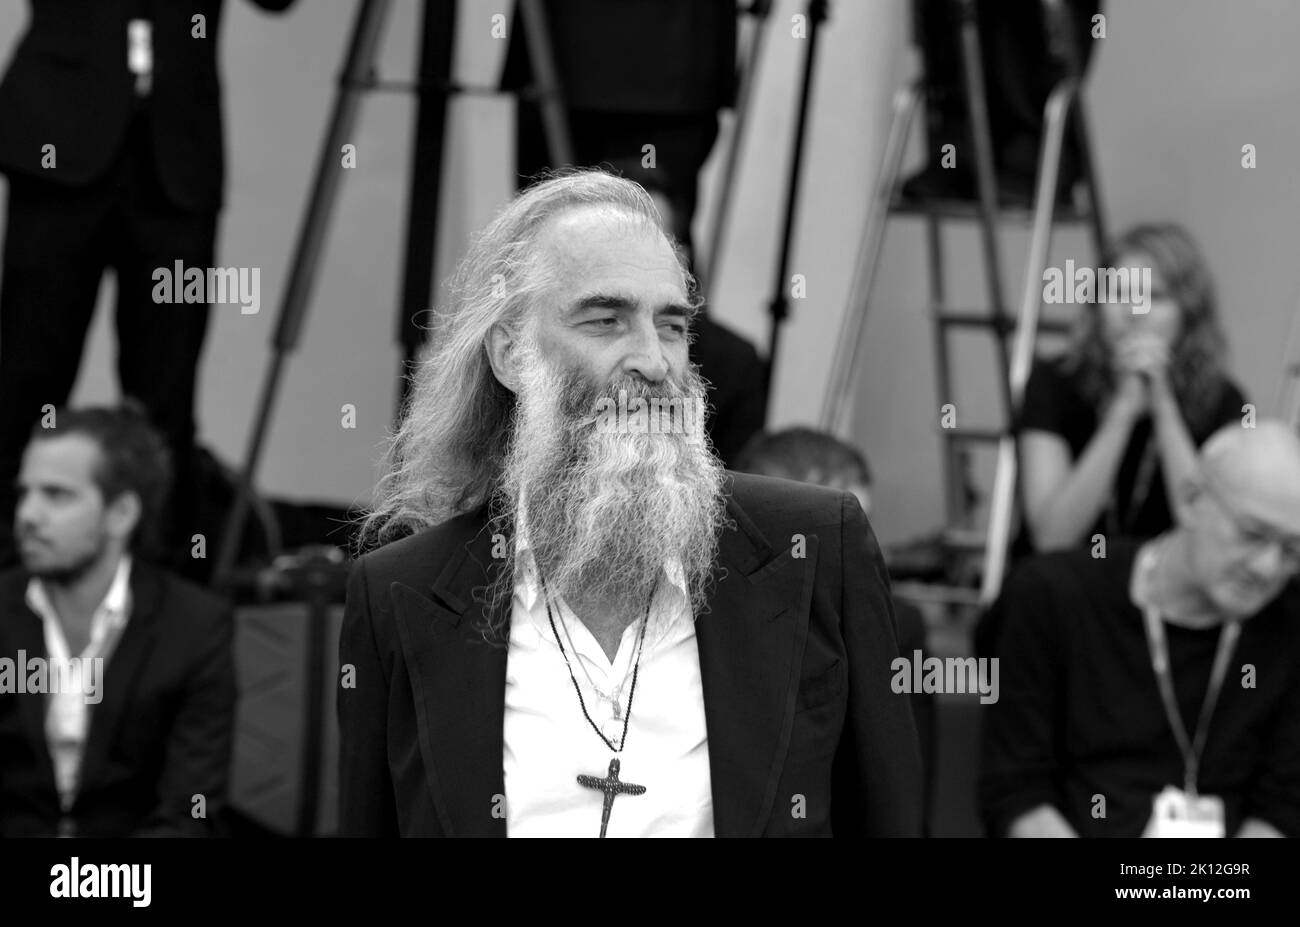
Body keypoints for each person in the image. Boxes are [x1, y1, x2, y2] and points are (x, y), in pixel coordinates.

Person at [338, 171, 921, 837]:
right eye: (606, 319)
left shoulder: (816, 550)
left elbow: (889, 816)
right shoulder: (399, 594)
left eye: (671, 324)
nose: (653, 360)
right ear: (509, 353)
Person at [0, 0, 297, 573]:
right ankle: (11, 585)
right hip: (58, 143)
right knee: (26, 382)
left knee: (167, 395)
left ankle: (163, 599)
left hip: (176, 158)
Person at [980, 421, 1300, 838]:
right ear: (1191, 500)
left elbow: (1282, 808)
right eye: (1253, 535)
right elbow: (1017, 794)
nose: (1267, 567)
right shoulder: (1052, 598)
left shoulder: (1288, 624)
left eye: (1292, 550)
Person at [0, 404, 236, 836]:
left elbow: (190, 813)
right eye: (23, 493)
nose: (27, 516)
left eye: (56, 495)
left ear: (121, 514)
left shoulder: (195, 625)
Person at [733, 426, 936, 832]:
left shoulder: (898, 629)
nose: (852, 556)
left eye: (861, 533)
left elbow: (899, 798)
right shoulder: (702, 620)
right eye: (828, 537)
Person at [1018, 223, 1248, 554]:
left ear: (1189, 313)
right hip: (1061, 585)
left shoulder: (1224, 400)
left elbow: (1209, 542)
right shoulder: (1055, 382)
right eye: (1120, 294)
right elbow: (1052, 538)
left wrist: (1165, 408)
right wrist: (1122, 413)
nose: (1134, 312)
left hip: (1167, 594)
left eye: (1155, 297)